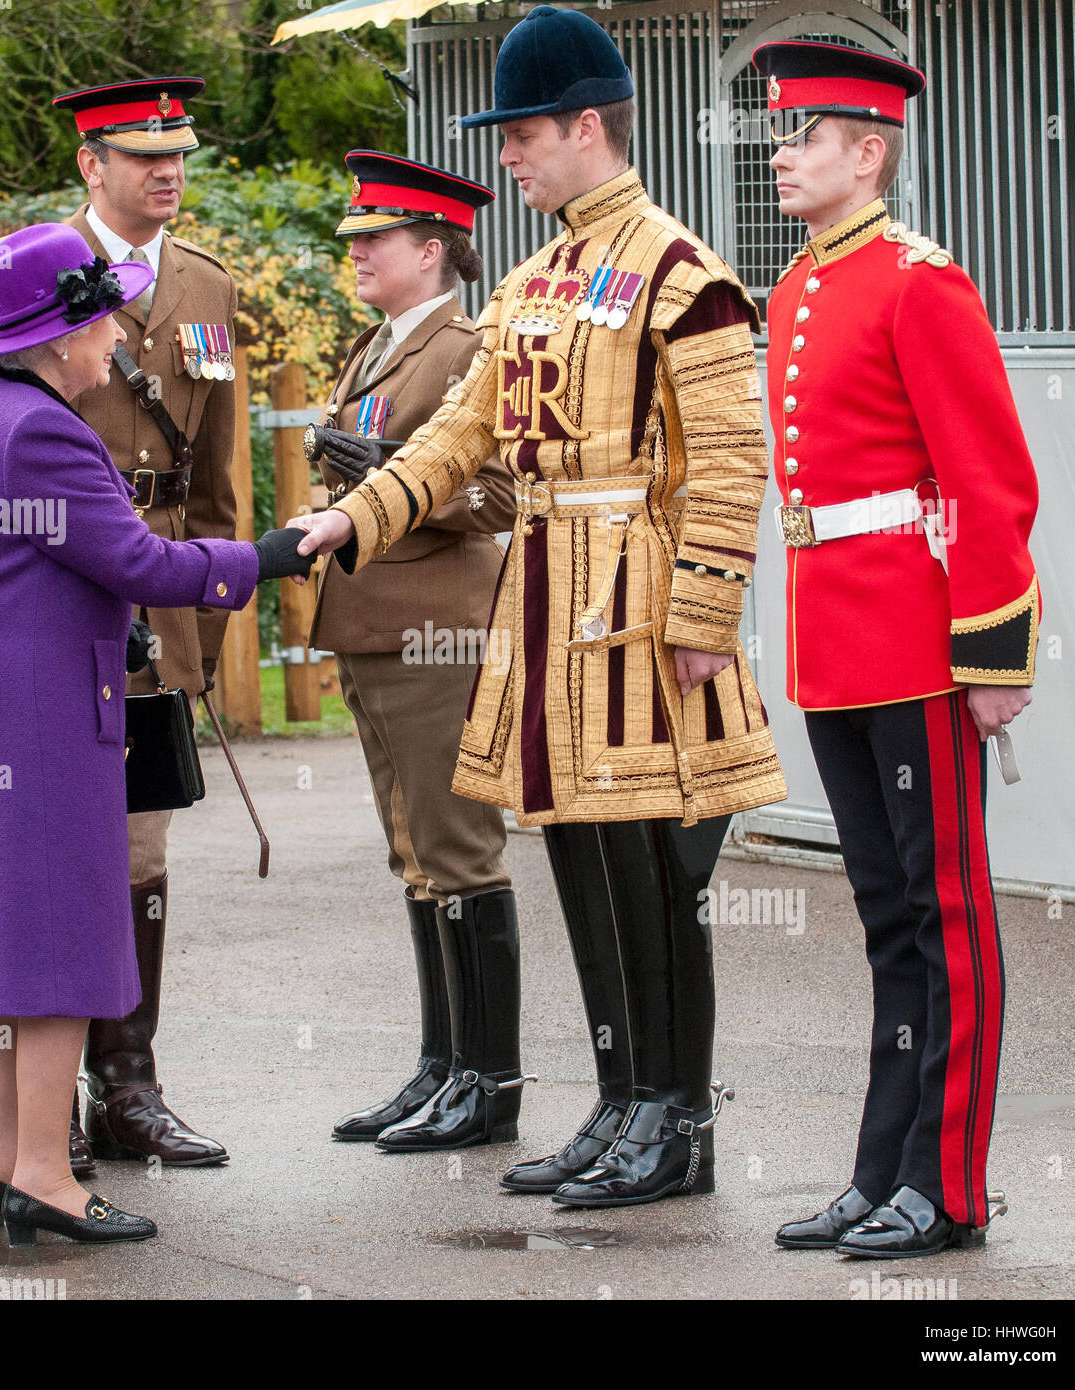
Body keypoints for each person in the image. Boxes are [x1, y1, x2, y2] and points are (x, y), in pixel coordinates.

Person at [294, 5, 786, 1207]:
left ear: (584, 125)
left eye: (519, 133)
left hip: (642, 613)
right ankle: (620, 1102)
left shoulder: (685, 273)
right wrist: (346, 521)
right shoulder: (530, 279)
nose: (505, 155)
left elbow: (728, 457)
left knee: (656, 880)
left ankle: (675, 1119)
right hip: (548, 601)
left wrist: (703, 619)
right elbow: (459, 441)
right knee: (580, 861)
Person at [0, 223, 310, 1244]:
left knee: (6, 943)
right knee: (54, 943)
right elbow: (143, 560)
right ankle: (47, 1172)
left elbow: (37, 557)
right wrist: (264, 556)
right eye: (103, 324)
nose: (115, 343)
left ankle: (2, 1157)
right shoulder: (42, 430)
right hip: (35, 710)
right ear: (60, 336)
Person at [753, 40, 1039, 1257]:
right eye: (777, 133)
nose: (777, 151)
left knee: (945, 918)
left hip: (923, 645)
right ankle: (882, 1171)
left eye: (802, 135)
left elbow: (985, 476)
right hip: (839, 642)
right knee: (883, 917)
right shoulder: (795, 288)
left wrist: (992, 654)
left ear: (867, 153)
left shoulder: (921, 282)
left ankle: (948, 1184)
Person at [0, 77, 242, 1172]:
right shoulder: (19, 270)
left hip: (159, 593)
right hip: (51, 604)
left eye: (179, 154)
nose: (167, 171)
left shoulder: (205, 283)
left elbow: (220, 478)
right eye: (141, 154)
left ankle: (129, 1087)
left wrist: (205, 639)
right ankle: (41, 1121)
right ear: (89, 165)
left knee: (138, 850)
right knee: (43, 862)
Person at [307, 152, 524, 1150]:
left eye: (373, 241)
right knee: (415, 854)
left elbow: (502, 496)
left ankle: (489, 1081)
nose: (355, 253)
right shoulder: (384, 343)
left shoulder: (467, 349)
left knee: (458, 850)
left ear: (430, 250)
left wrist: (396, 476)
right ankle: (442, 1067)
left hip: (437, 634)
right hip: (377, 628)